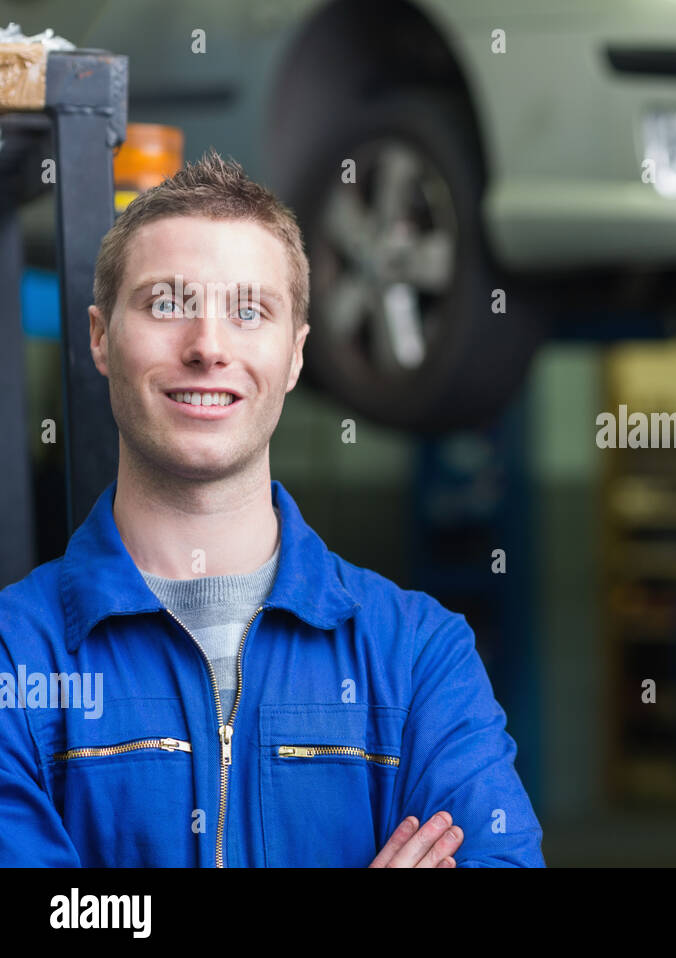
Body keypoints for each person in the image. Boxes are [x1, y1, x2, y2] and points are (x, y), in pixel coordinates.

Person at [0, 150, 545, 867]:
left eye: (249, 310)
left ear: (294, 354)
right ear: (101, 338)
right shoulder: (17, 656)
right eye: (167, 303)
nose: (208, 346)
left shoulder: (416, 656)